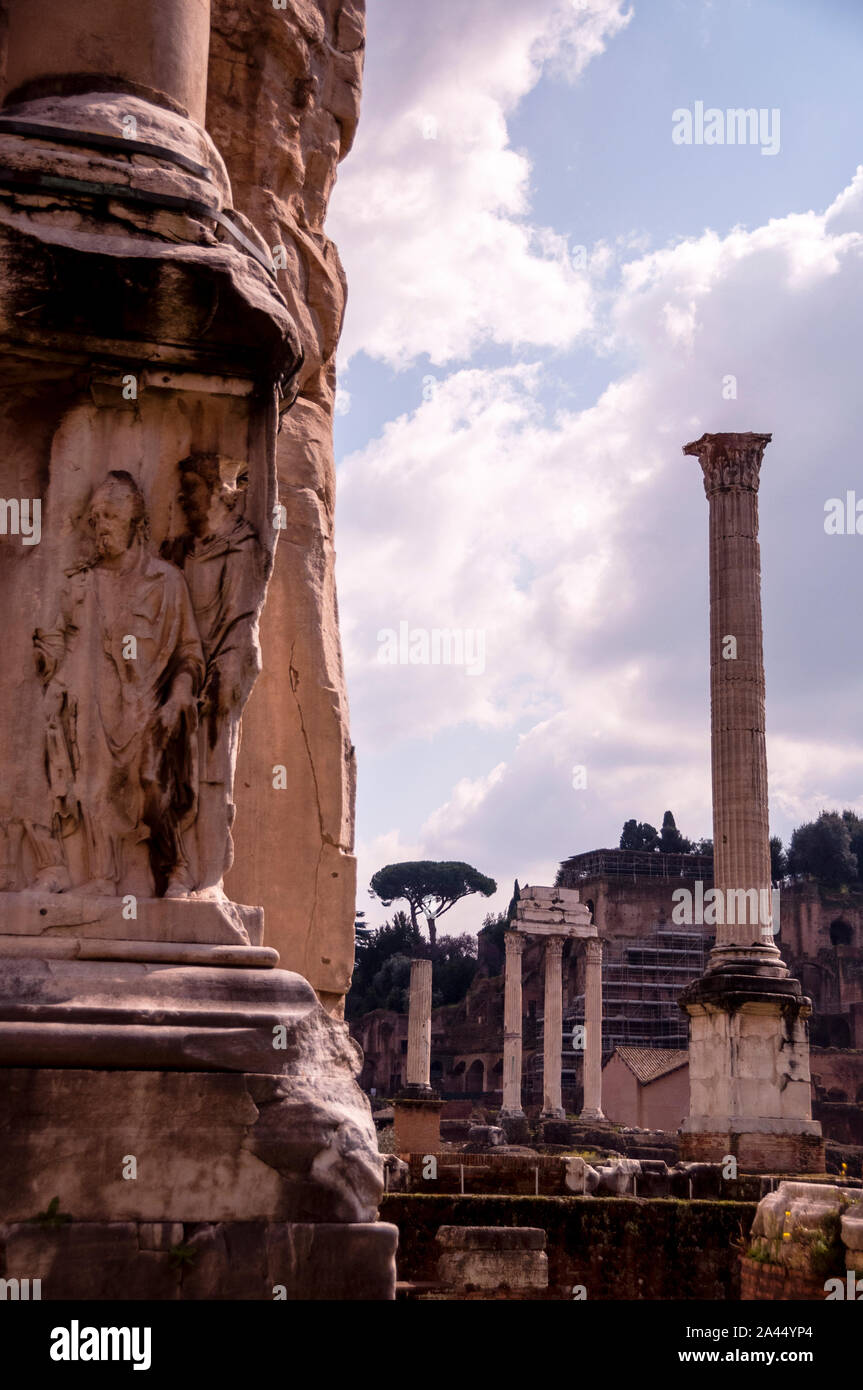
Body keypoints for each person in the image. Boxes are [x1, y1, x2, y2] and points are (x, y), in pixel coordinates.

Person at [33, 470, 204, 897]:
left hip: (151, 707)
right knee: (90, 782)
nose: (99, 526)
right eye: (94, 518)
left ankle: (177, 868)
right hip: (92, 707)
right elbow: (56, 645)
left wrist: (180, 694)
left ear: (135, 523)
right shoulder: (81, 584)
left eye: (109, 516)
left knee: (154, 783)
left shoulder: (167, 582)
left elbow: (190, 653)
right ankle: (102, 879)